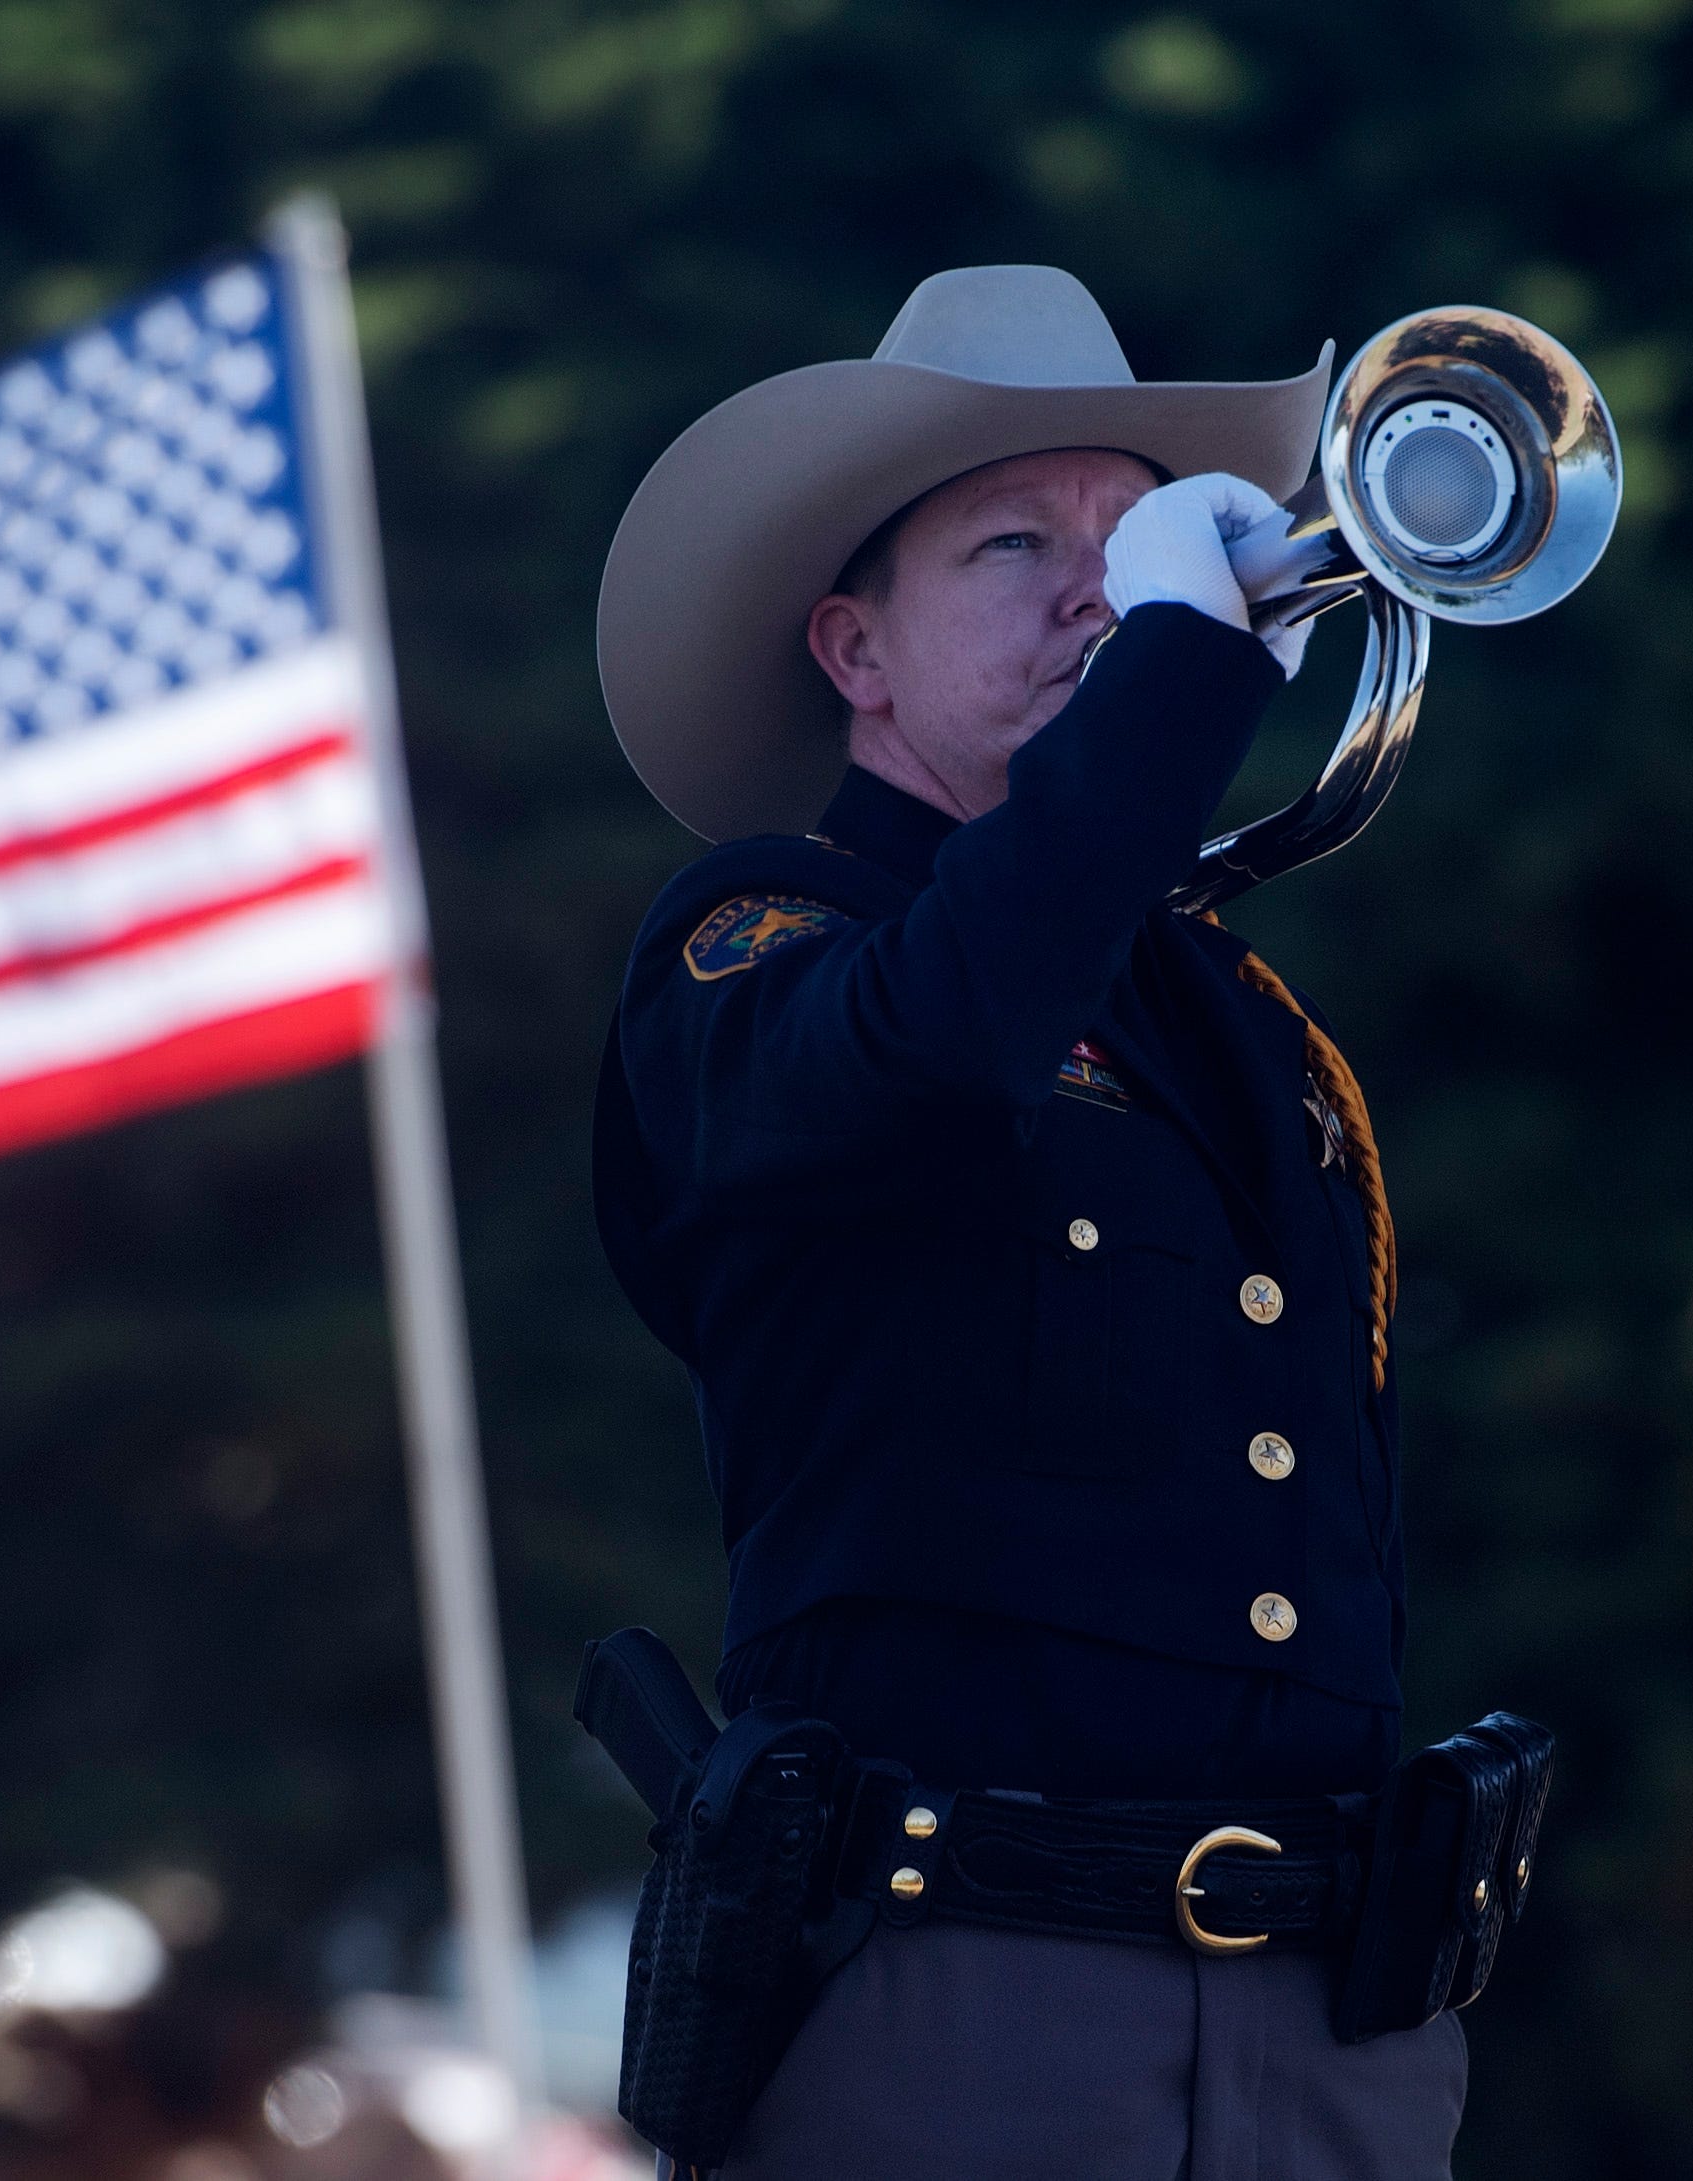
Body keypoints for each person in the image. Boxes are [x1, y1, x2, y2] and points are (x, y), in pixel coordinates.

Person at [590, 266, 1465, 2177]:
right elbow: (948, 1033)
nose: (1102, 584)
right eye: (1016, 543)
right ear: (856, 652)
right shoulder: (758, 941)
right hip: (964, 1997)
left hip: (1325, 2014)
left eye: (1136, 538)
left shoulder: (1226, 1009)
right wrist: (1167, 677)